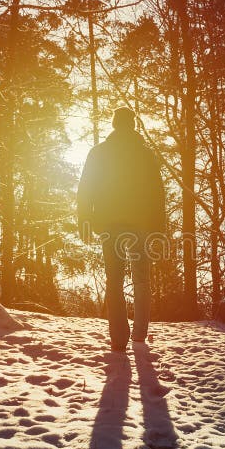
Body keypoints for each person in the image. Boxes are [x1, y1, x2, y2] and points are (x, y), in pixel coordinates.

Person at [77, 106, 166, 352]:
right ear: (134, 125)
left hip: (110, 223)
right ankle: (139, 334)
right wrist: (159, 227)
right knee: (141, 278)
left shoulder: (98, 153)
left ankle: (118, 339)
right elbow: (158, 193)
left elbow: (85, 189)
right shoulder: (146, 154)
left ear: (114, 124)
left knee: (114, 280)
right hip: (140, 223)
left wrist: (84, 222)